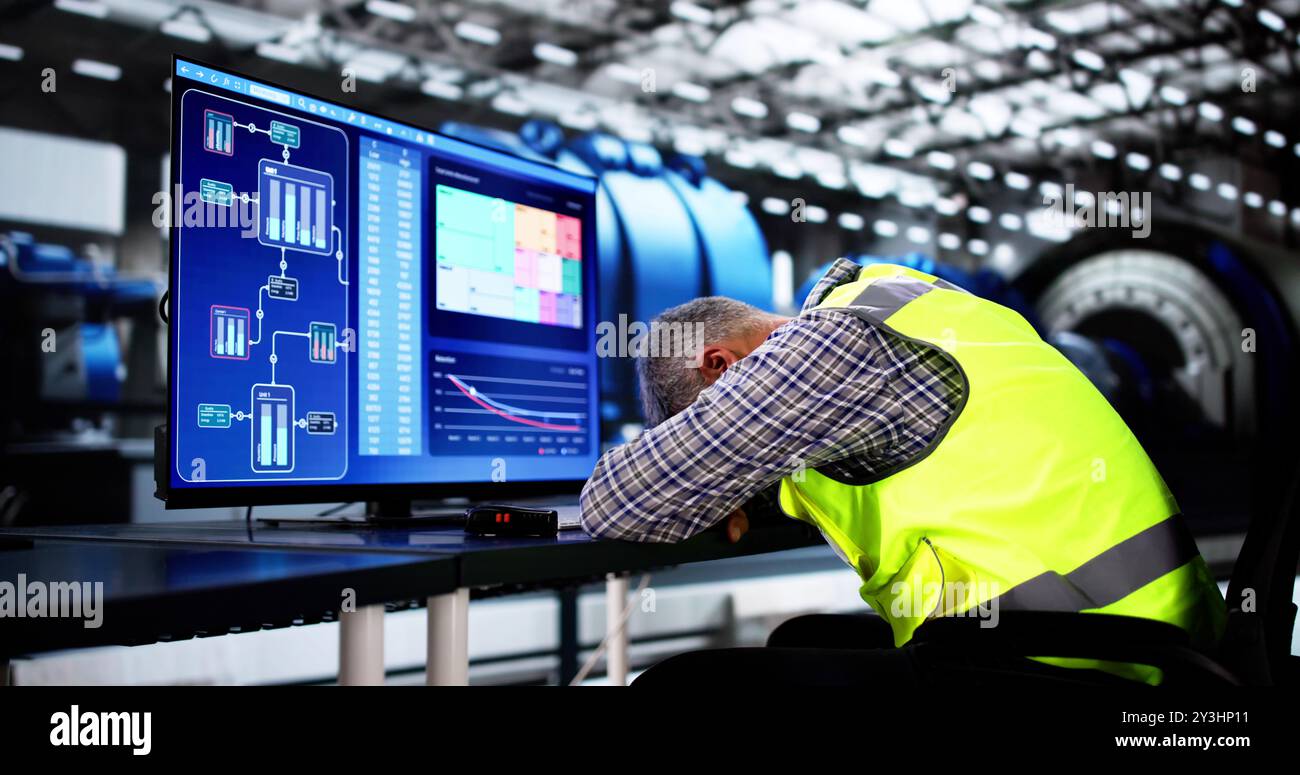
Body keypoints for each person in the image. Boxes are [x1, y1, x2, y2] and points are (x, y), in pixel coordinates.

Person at [579, 258, 1226, 685]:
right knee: (799, 639)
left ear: (719, 366)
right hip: (1161, 636)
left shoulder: (823, 349)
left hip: (1084, 664)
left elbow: (614, 502)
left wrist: (698, 478)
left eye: (708, 417)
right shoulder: (895, 301)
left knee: (680, 685)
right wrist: (729, 487)